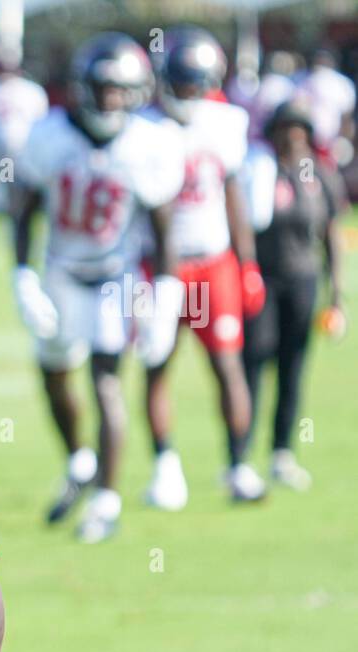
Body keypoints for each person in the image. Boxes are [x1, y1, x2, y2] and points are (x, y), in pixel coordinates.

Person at [11, 33, 185, 542]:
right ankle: (80, 461)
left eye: (119, 90)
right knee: (53, 372)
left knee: (107, 380)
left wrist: (167, 295)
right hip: (61, 270)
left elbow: (163, 225)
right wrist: (22, 275)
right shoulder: (49, 136)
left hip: (115, 275)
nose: (110, 99)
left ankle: (106, 499)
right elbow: (24, 209)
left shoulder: (148, 143)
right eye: (102, 88)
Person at [141, 26, 267, 507]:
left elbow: (233, 192)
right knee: (158, 363)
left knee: (227, 363)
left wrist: (248, 262)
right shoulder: (144, 127)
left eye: (199, 82)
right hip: (159, 265)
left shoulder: (225, 122)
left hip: (213, 261)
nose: (191, 92)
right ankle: (165, 467)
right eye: (184, 82)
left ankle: (238, 466)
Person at [240, 100, 348, 490]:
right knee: (253, 363)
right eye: (285, 129)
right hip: (262, 280)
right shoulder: (260, 170)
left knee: (293, 368)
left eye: (298, 129)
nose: (292, 137)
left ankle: (282, 452)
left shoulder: (319, 175)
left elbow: (330, 234)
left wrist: (336, 294)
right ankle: (241, 453)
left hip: (302, 281)